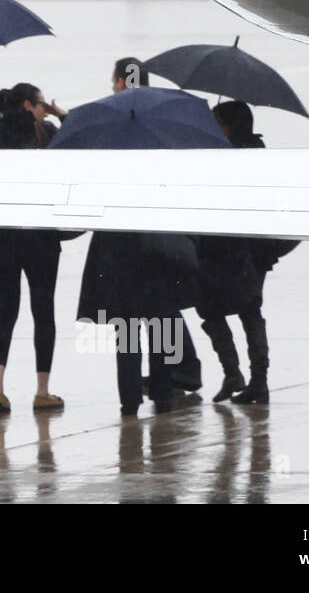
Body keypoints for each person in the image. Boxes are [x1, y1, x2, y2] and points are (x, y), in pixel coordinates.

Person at [109, 56, 203, 392]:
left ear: (122, 81)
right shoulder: (164, 112)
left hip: (133, 233)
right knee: (161, 306)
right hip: (165, 223)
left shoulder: (118, 118)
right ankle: (177, 373)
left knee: (137, 313)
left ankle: (143, 386)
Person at [195, 100, 295, 404]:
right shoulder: (257, 149)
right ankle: (258, 380)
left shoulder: (223, 154)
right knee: (250, 310)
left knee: (209, 308)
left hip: (226, 246)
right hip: (258, 246)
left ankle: (233, 373)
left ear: (227, 125)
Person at [0, 83, 64, 414]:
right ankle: (42, 391)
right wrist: (61, 114)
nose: (46, 109)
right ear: (29, 105)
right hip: (39, 234)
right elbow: (82, 143)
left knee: (5, 311)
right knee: (43, 311)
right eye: (43, 103)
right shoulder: (45, 133)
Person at [78, 229, 194, 416]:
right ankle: (162, 394)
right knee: (160, 332)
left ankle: (130, 399)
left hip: (120, 259)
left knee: (126, 336)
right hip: (156, 257)